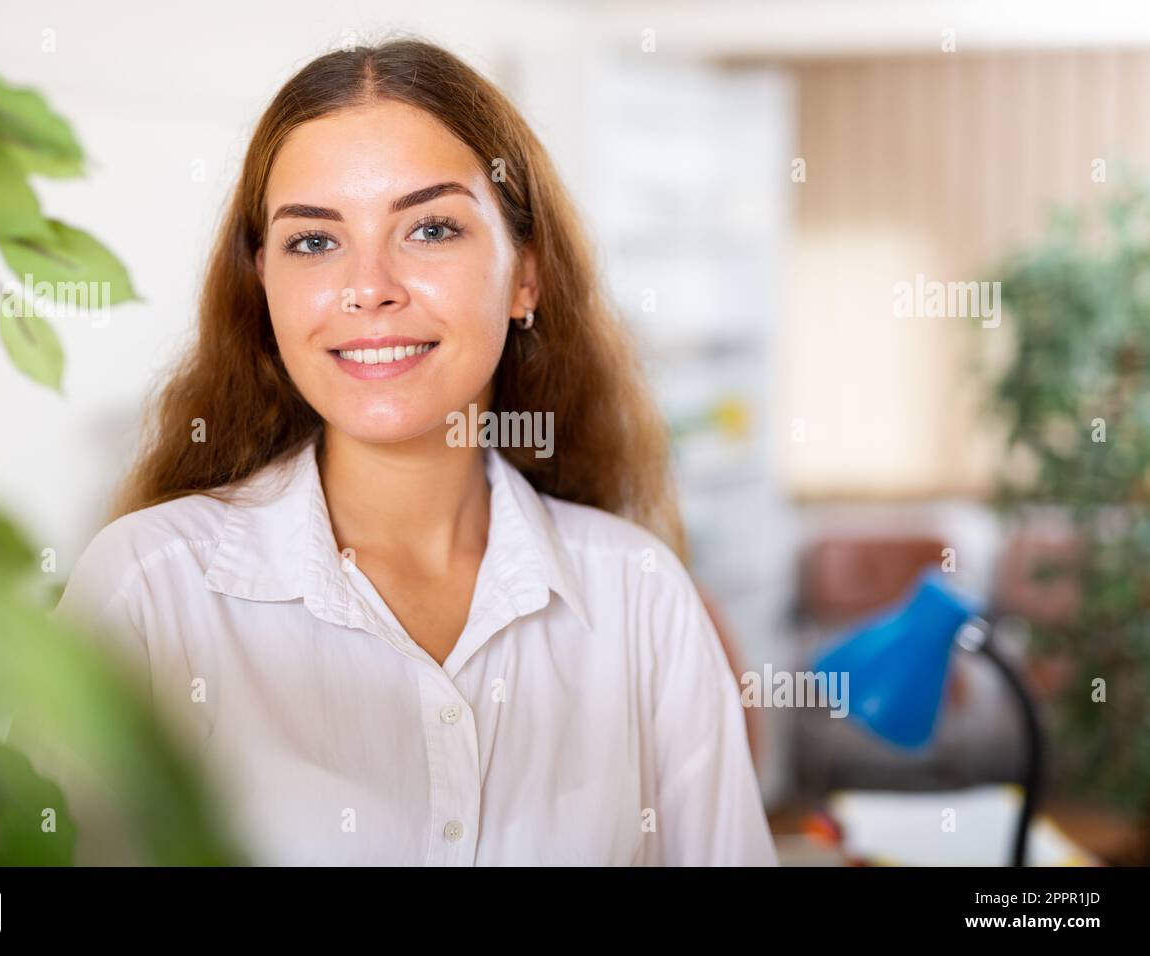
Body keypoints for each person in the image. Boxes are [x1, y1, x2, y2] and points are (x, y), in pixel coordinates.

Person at [55, 37, 778, 866]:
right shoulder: (150, 589)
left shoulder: (640, 600)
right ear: (263, 284)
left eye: (430, 228)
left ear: (524, 276)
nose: (370, 286)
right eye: (314, 242)